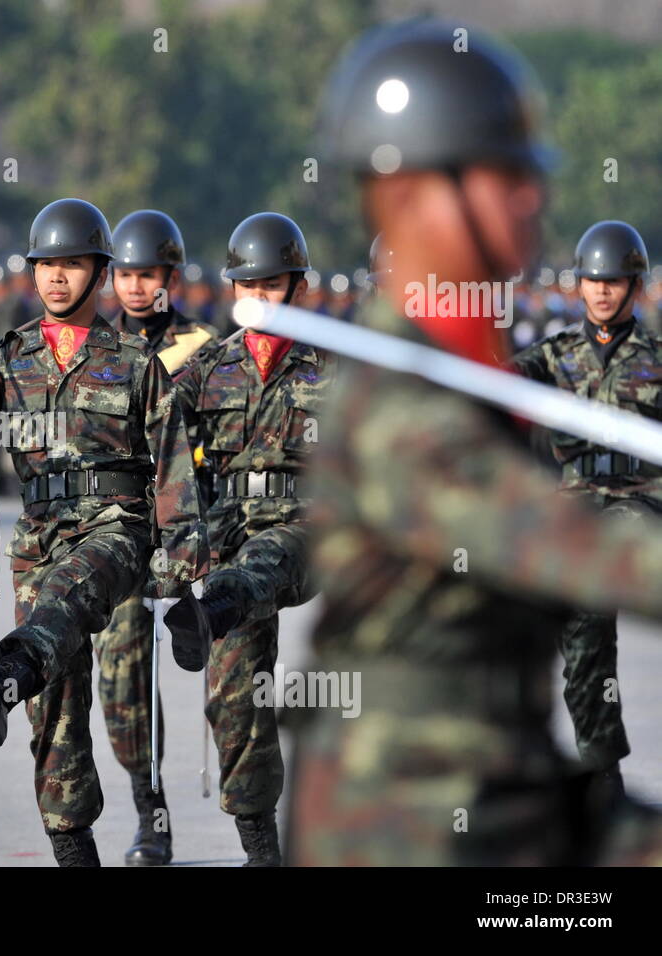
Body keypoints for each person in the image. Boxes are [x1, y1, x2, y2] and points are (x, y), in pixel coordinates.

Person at [289, 17, 662, 865]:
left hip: (505, 788)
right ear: (418, 190)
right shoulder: (398, 399)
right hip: (408, 813)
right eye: (509, 177)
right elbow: (561, 541)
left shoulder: (471, 371)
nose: (536, 197)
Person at [0, 198, 207, 866]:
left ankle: (9, 679)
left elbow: (173, 461)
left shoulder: (132, 362)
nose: (56, 278)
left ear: (98, 272)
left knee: (98, 644)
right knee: (54, 713)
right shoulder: (5, 361)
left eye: (71, 265)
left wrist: (177, 564)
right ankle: (73, 847)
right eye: (45, 266)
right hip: (38, 537)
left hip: (116, 531)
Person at [161, 211, 334, 866]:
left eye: (272, 284)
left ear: (300, 288)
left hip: (304, 530)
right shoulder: (207, 370)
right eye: (248, 286)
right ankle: (264, 854)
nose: (259, 298)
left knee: (268, 558)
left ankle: (211, 608)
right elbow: (158, 440)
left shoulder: (332, 373)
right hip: (230, 535)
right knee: (233, 699)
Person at [511, 220, 662, 787]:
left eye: (615, 281)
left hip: (640, 504)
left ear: (635, 286)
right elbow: (495, 388)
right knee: (582, 650)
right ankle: (604, 780)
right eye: (593, 281)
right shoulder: (554, 356)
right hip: (576, 503)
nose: (602, 291)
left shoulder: (657, 356)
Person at [94, 207, 216, 865]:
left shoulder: (205, 347)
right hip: (117, 527)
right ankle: (151, 807)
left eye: (150, 274)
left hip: (181, 526)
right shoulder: (97, 349)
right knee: (121, 679)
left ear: (171, 275)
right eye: (128, 275)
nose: (138, 287)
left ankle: (188, 611)